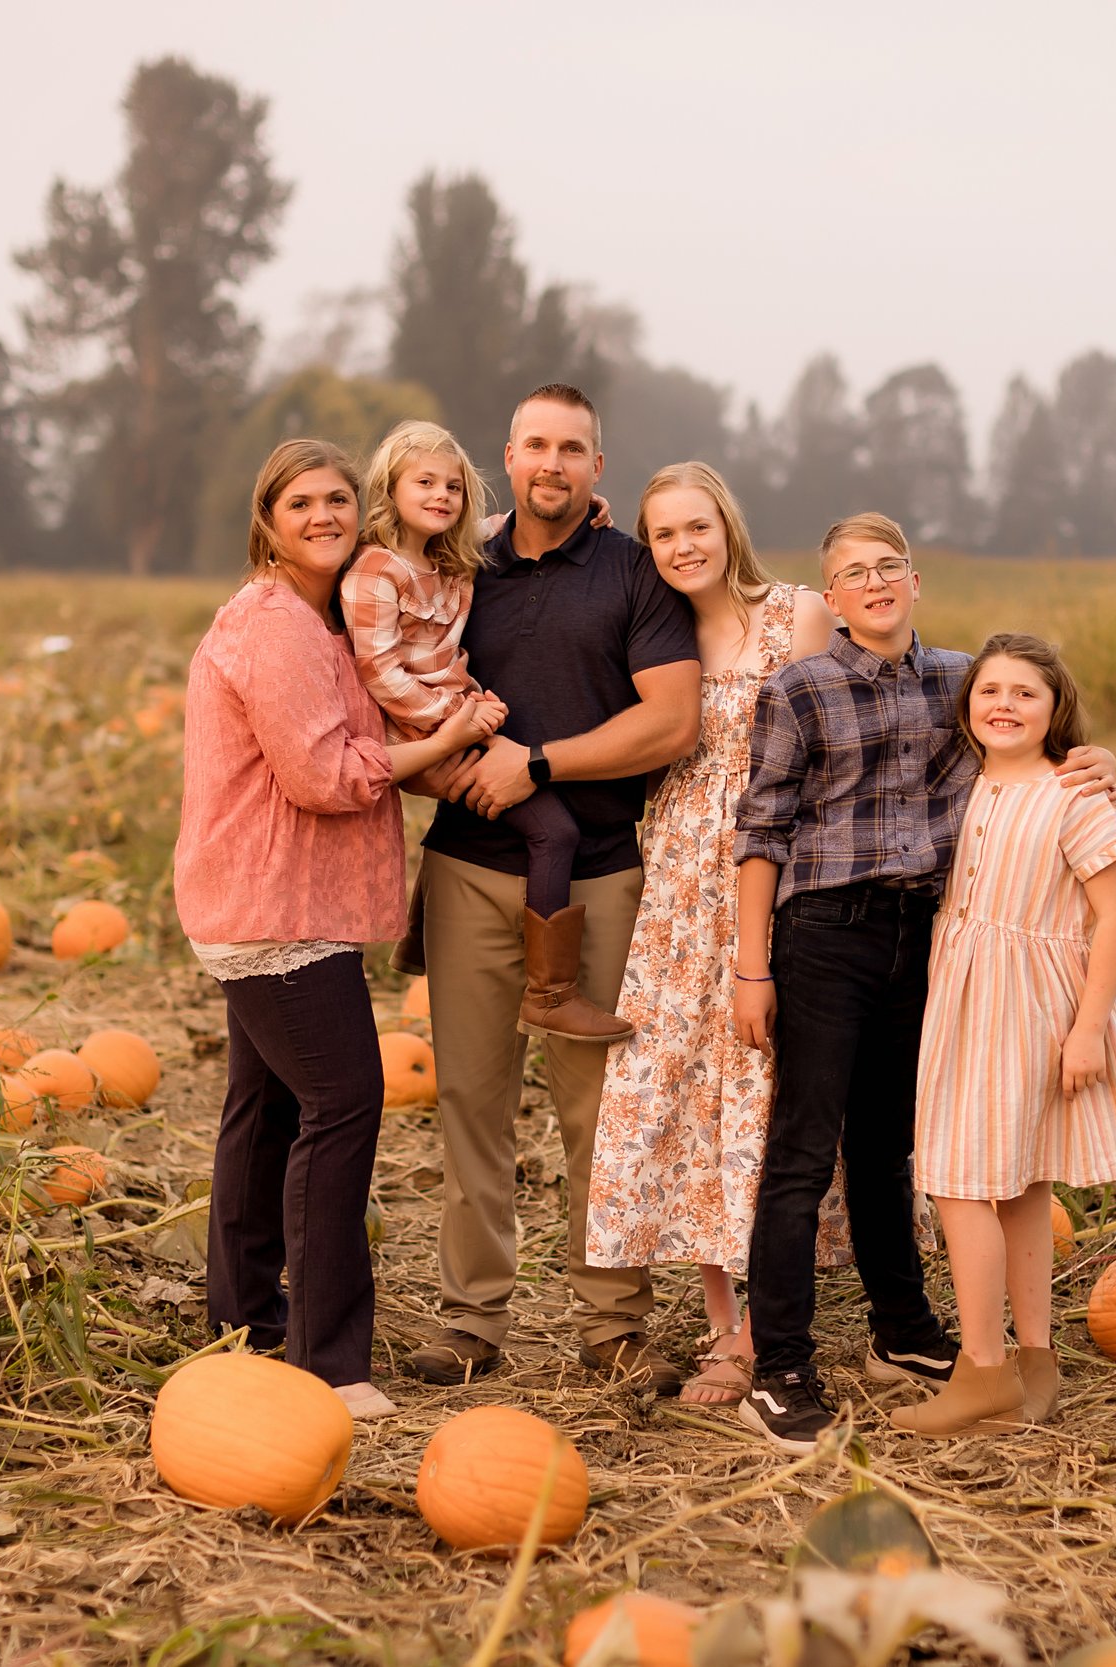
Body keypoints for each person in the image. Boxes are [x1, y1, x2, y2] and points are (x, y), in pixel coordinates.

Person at [728, 512, 1116, 1454]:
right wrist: (752, 965)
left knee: (890, 1148)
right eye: (853, 574)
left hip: (930, 938)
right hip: (826, 933)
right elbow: (762, 831)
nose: (874, 583)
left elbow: (1031, 740)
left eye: (888, 566)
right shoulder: (800, 690)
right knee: (802, 1152)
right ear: (832, 598)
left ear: (914, 579)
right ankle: (779, 1366)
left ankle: (901, 1330)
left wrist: (1093, 760)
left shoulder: (959, 681)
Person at [175, 438, 492, 1421]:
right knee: (345, 1101)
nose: (325, 515)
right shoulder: (272, 625)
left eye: (339, 498)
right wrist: (441, 743)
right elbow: (322, 776)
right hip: (274, 912)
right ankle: (327, 1360)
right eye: (301, 502)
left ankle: (245, 1316)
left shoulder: (324, 618)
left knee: (264, 1109)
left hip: (284, 904)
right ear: (266, 522)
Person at [400, 384, 703, 1392]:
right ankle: (471, 1320)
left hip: (599, 875)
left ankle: (611, 1324)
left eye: (573, 448)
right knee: (470, 1102)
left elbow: (668, 722)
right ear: (508, 454)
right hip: (465, 870)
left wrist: (537, 765)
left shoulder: (633, 572)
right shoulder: (454, 564)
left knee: (598, 1110)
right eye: (535, 443)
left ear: (597, 469)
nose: (553, 463)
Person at [584, 461, 853, 1407]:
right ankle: (726, 1334)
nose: (683, 546)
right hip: (677, 895)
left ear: (726, 524)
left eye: (696, 526)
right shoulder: (656, 632)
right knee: (687, 1100)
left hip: (773, 877)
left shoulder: (801, 615)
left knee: (765, 1093)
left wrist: (1063, 749)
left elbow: (881, 705)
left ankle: (779, 1314)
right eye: (662, 535)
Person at [893, 634, 1116, 1436]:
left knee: (957, 1179)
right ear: (968, 704)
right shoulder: (966, 780)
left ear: (1056, 708)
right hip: (960, 991)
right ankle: (1034, 1356)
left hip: (1028, 1002)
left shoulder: (1075, 792)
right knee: (1019, 1182)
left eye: (1026, 693)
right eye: (990, 690)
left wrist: (1089, 1027)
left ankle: (982, 1369)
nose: (1005, 705)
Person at [340, 420, 630, 1043]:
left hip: (462, 716)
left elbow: (501, 526)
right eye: (424, 483)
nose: (441, 496)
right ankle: (550, 992)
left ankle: (433, 946)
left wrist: (582, 510)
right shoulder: (376, 571)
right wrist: (455, 726)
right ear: (391, 488)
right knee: (554, 829)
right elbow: (381, 672)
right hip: (423, 726)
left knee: (507, 816)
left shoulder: (449, 557)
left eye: (452, 486)